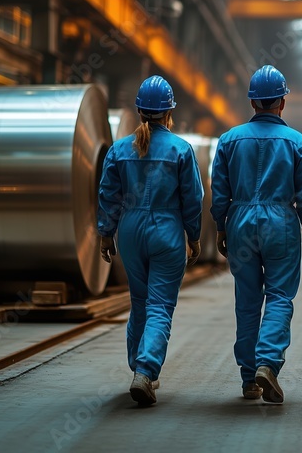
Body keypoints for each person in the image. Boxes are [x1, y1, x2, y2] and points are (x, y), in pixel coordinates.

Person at [211, 65, 302, 404]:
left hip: (241, 220)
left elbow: (218, 191)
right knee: (279, 296)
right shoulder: (296, 142)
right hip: (280, 224)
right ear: (282, 103)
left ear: (252, 103)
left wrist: (220, 225)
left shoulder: (229, 140)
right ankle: (267, 362)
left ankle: (249, 378)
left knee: (246, 301)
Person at [97, 75, 204, 406]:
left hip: (130, 231)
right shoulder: (181, 149)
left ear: (139, 111)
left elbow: (108, 195)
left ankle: (138, 369)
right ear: (169, 113)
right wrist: (194, 236)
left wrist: (105, 232)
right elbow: (193, 198)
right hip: (166, 230)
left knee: (140, 302)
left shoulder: (118, 150)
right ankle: (145, 370)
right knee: (160, 306)